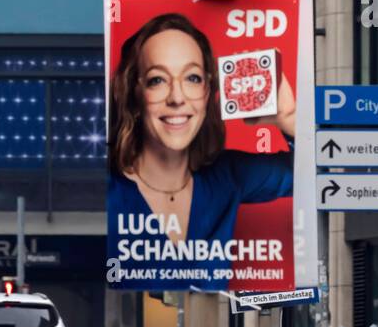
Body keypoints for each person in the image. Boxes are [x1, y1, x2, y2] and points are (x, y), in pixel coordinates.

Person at [107, 13, 296, 254]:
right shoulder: (109, 189)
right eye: (157, 80)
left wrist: (289, 119)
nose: (177, 98)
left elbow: (319, 178)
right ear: (134, 93)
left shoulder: (226, 176)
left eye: (192, 78)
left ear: (207, 91)